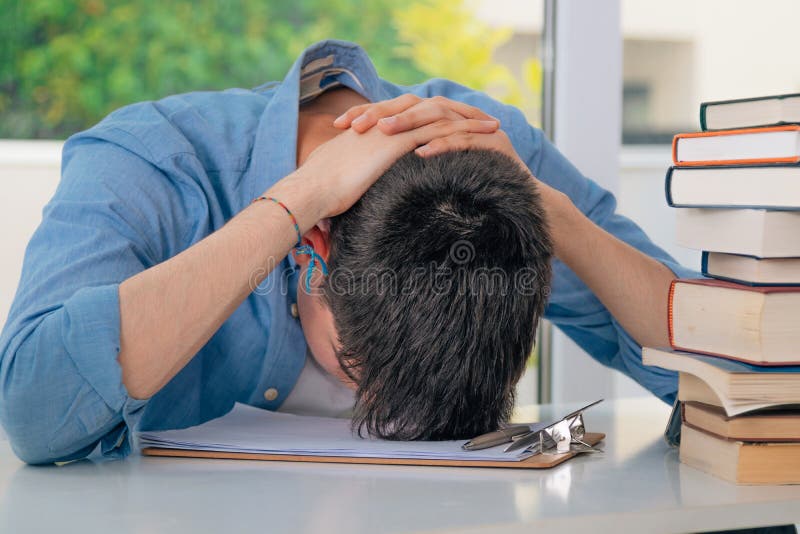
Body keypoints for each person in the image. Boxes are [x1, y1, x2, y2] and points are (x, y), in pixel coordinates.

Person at [0, 40, 692, 464]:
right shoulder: (146, 163)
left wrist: (555, 215)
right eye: (355, 367)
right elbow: (34, 412)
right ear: (312, 251)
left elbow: (740, 385)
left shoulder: (486, 153)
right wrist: (292, 204)